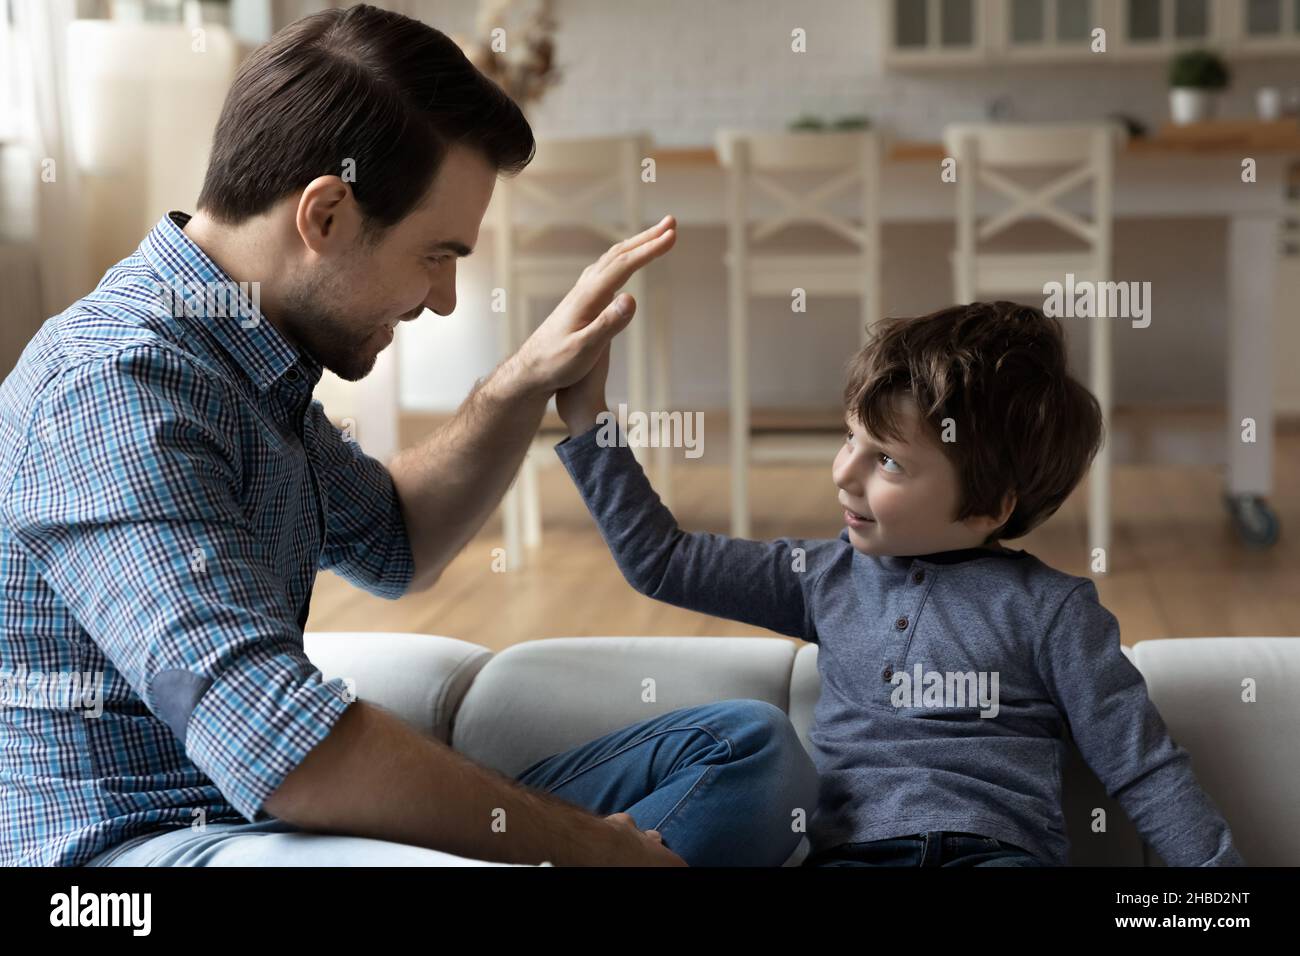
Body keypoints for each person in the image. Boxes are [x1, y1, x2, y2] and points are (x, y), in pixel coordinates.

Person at [0, 4, 817, 868]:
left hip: (277, 819)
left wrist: (523, 380)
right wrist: (595, 850)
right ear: (326, 215)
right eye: (437, 254)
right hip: (138, 850)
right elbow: (278, 746)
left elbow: (397, 541)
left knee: (749, 755)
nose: (445, 298)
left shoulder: (246, 357)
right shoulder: (115, 386)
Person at [551, 299, 1244, 867]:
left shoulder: (1057, 611)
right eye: (849, 438)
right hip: (855, 855)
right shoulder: (820, 577)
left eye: (886, 461)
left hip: (1002, 857)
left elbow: (1143, 768)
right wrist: (588, 416)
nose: (843, 472)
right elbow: (662, 559)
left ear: (989, 506)